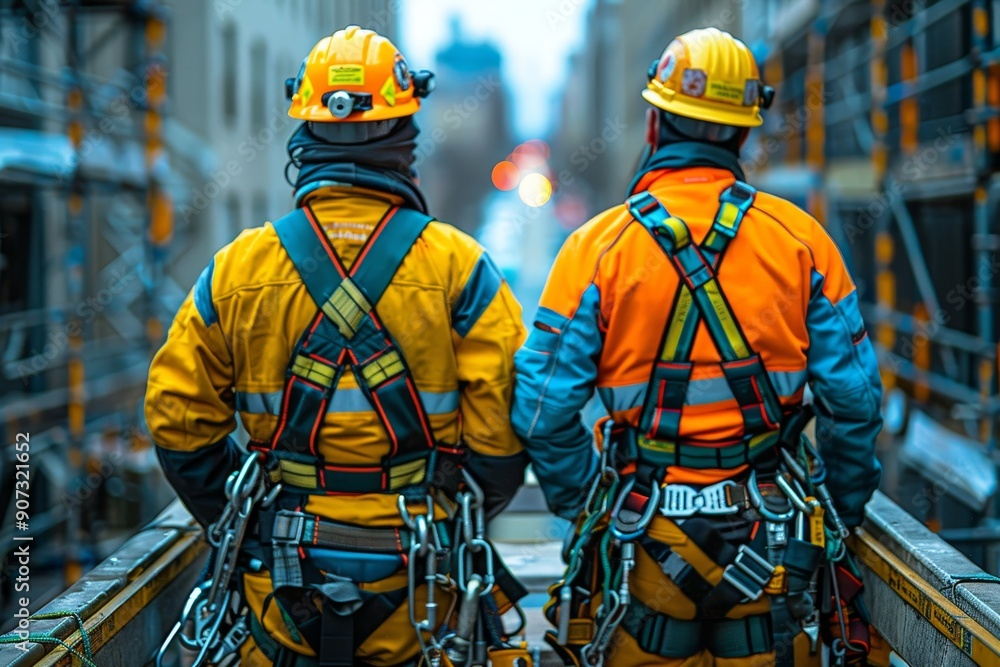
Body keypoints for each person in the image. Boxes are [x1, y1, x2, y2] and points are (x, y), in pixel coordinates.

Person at [146, 26, 530, 667]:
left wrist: (247, 528)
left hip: (281, 588)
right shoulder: (461, 269)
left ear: (304, 136)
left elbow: (176, 421)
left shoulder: (239, 269)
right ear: (406, 136)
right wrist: (449, 503)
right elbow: (505, 433)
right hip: (420, 589)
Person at [512, 27, 883, 667]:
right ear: (743, 132)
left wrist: (587, 510)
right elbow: (853, 401)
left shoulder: (597, 249)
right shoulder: (802, 242)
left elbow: (542, 411)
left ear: (654, 125)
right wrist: (841, 509)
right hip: (772, 538)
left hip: (642, 537)